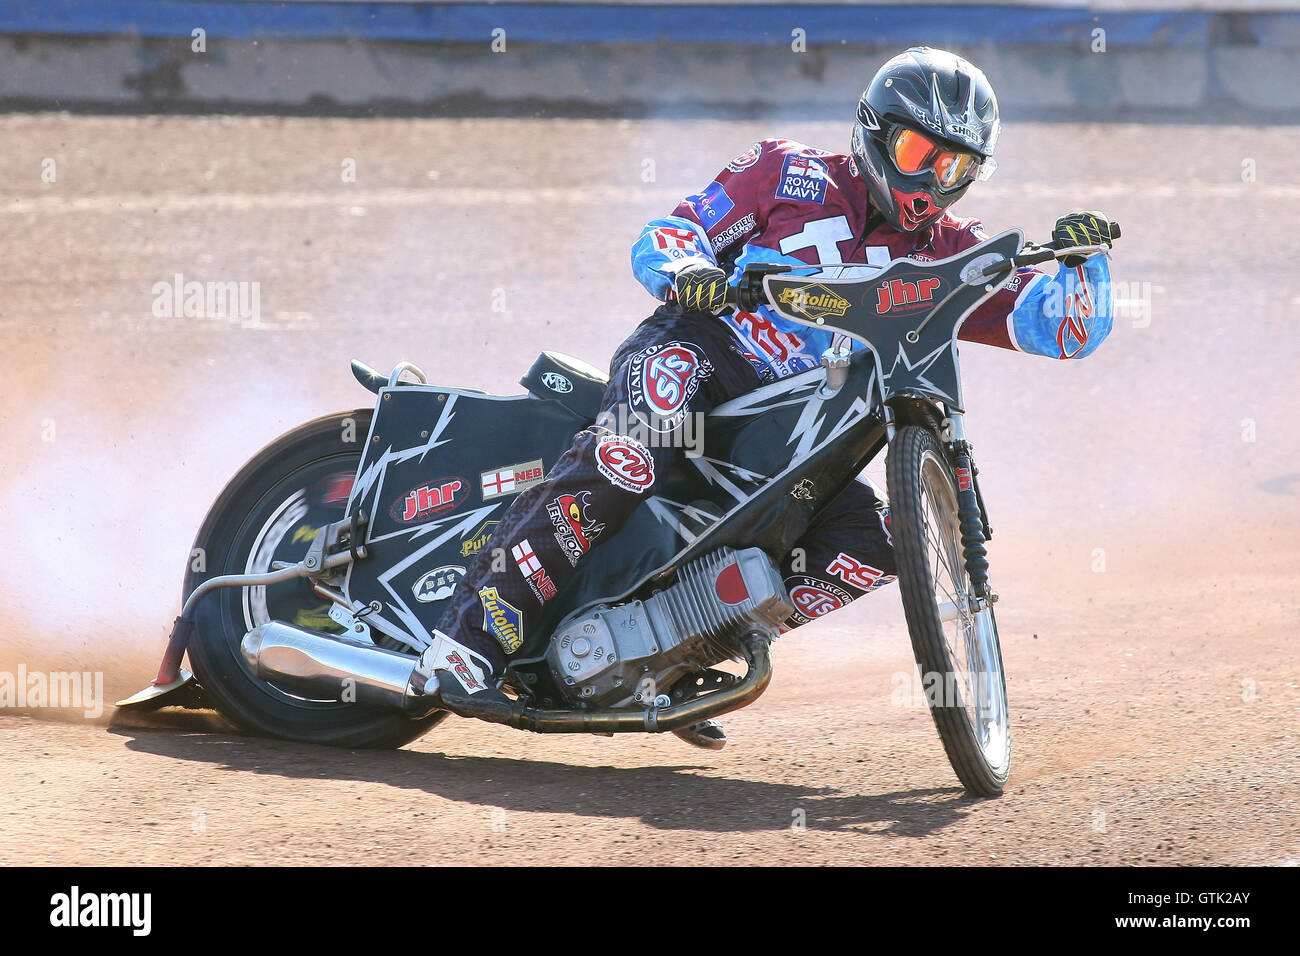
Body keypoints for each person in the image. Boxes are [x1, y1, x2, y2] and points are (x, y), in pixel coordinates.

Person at [418, 46, 1119, 748]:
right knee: (634, 447)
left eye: (954, 167)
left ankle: (667, 655)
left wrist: (1086, 263)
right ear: (873, 130)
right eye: (916, 149)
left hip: (795, 428)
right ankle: (466, 643)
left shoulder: (948, 254)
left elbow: (1063, 329)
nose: (930, 180)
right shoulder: (786, 170)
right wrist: (690, 270)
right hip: (699, 350)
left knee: (869, 547)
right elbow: (669, 232)